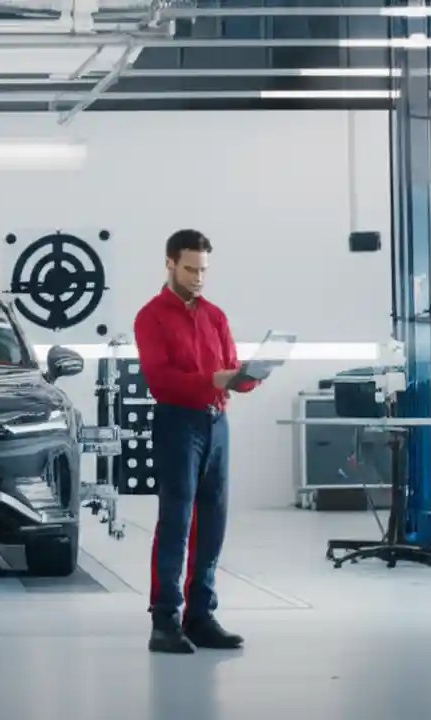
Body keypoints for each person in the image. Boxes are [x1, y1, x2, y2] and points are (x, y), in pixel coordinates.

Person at [132, 228, 259, 654]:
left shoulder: (215, 316)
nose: (198, 277)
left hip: (216, 423)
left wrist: (246, 377)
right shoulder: (151, 317)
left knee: (213, 522)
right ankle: (164, 621)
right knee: (176, 521)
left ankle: (201, 616)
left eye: (203, 270)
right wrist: (213, 380)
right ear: (170, 264)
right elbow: (160, 380)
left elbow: (230, 367)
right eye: (190, 269)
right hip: (178, 424)